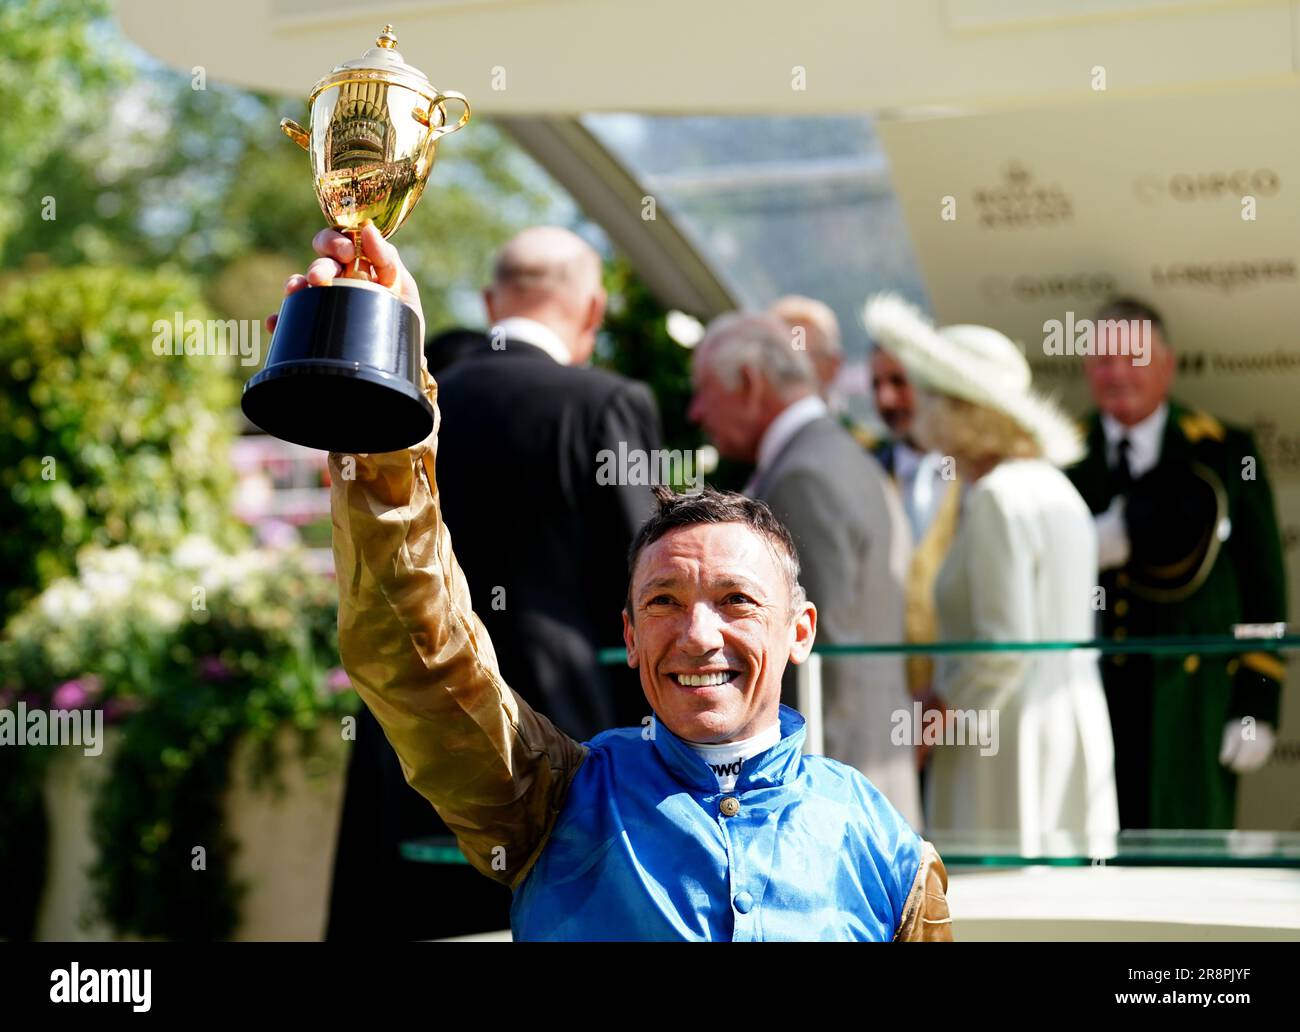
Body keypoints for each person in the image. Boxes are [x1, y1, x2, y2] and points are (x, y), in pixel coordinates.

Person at [285, 225, 952, 940]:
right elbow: (421, 657)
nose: (697, 635)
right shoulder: (550, 800)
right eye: (665, 601)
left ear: (800, 630)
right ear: (629, 635)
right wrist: (379, 380)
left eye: (736, 601)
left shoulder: (888, 852)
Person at [323, 226, 662, 939]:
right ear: (594, 310)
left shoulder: (418, 394)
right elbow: (651, 582)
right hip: (553, 751)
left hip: (414, 740)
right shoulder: (604, 403)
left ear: (488, 302)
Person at [865, 293, 1120, 841]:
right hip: (1060, 727)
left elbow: (1001, 649)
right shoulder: (1053, 486)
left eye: (930, 394)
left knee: (1006, 887)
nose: (920, 409)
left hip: (1007, 747)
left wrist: (934, 716)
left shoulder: (998, 498)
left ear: (960, 409)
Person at [687, 312, 920, 827]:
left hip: (826, 790)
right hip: (867, 775)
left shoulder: (802, 477)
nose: (696, 410)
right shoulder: (843, 456)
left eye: (703, 390)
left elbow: (814, 658)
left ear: (748, 382)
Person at [1067, 296, 1286, 830]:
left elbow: (1263, 590)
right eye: (1103, 360)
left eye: (1133, 358)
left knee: (1189, 858)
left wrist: (1257, 704)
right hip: (1092, 701)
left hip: (1192, 707)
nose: (1118, 373)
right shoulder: (1063, 454)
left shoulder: (1226, 451)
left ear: (1167, 365)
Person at [868, 342, 962, 767]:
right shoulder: (865, 469)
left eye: (898, 382)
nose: (886, 399)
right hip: (882, 708)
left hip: (967, 709)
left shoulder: (977, 475)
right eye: (876, 385)